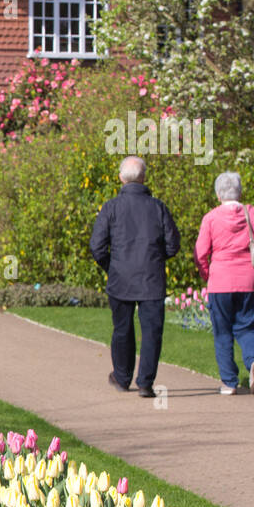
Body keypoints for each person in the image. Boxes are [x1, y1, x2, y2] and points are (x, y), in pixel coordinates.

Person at [89, 156, 180, 398]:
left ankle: (122, 376)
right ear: (144, 178)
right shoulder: (158, 207)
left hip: (121, 278)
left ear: (121, 178)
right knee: (151, 332)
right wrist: (155, 260)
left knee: (122, 329)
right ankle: (145, 382)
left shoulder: (111, 207)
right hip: (151, 278)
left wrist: (112, 266)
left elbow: (97, 246)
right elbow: (172, 245)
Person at [194, 171, 254, 395]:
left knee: (223, 332)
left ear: (218, 195)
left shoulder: (210, 218)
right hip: (251, 281)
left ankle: (230, 382)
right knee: (247, 327)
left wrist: (206, 275)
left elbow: (200, 253)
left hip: (220, 281)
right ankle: (253, 362)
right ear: (240, 191)